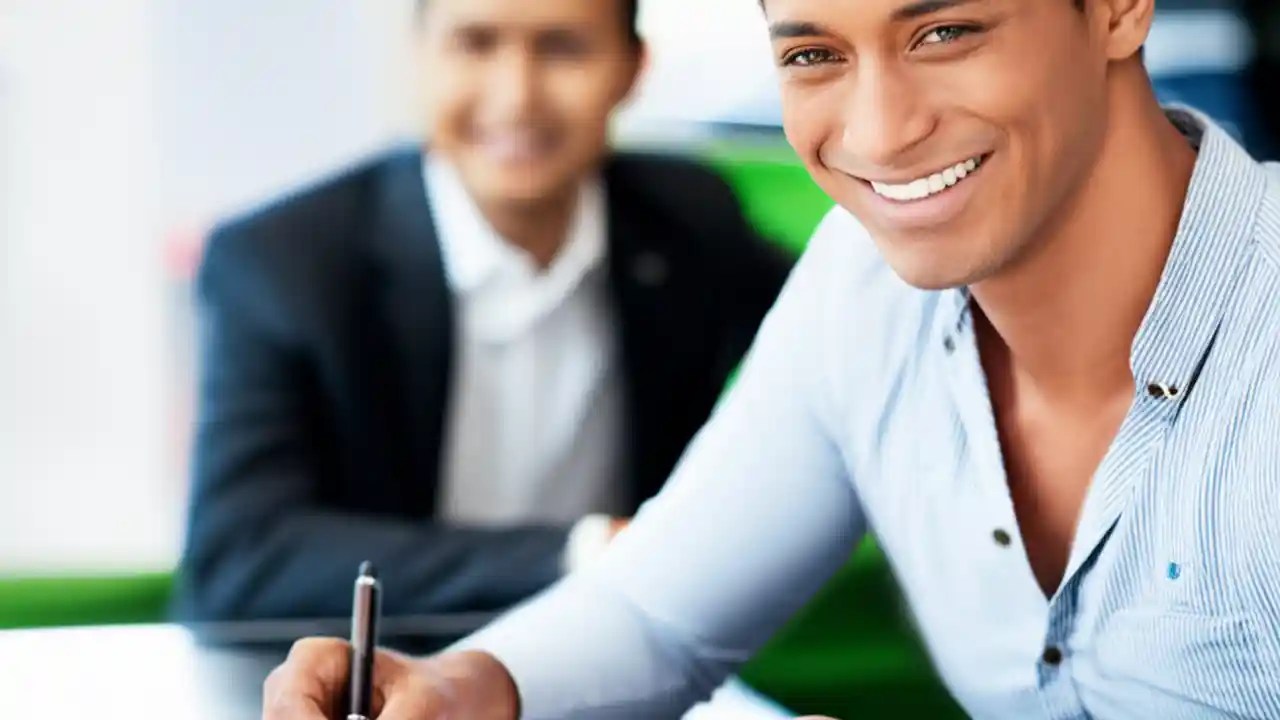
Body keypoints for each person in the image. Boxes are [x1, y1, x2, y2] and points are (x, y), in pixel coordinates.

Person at [263, 0, 1280, 717]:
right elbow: (658, 609)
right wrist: (469, 687)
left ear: (1115, 8)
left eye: (944, 32)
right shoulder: (860, 284)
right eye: (812, 56)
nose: (881, 132)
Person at [176, 0, 792, 623]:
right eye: (475, 43)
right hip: (366, 673)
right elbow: (241, 559)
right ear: (419, 56)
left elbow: (837, 337)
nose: (516, 96)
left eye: (562, 49)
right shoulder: (285, 260)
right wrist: (590, 552)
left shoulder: (687, 220)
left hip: (611, 672)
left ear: (633, 70)